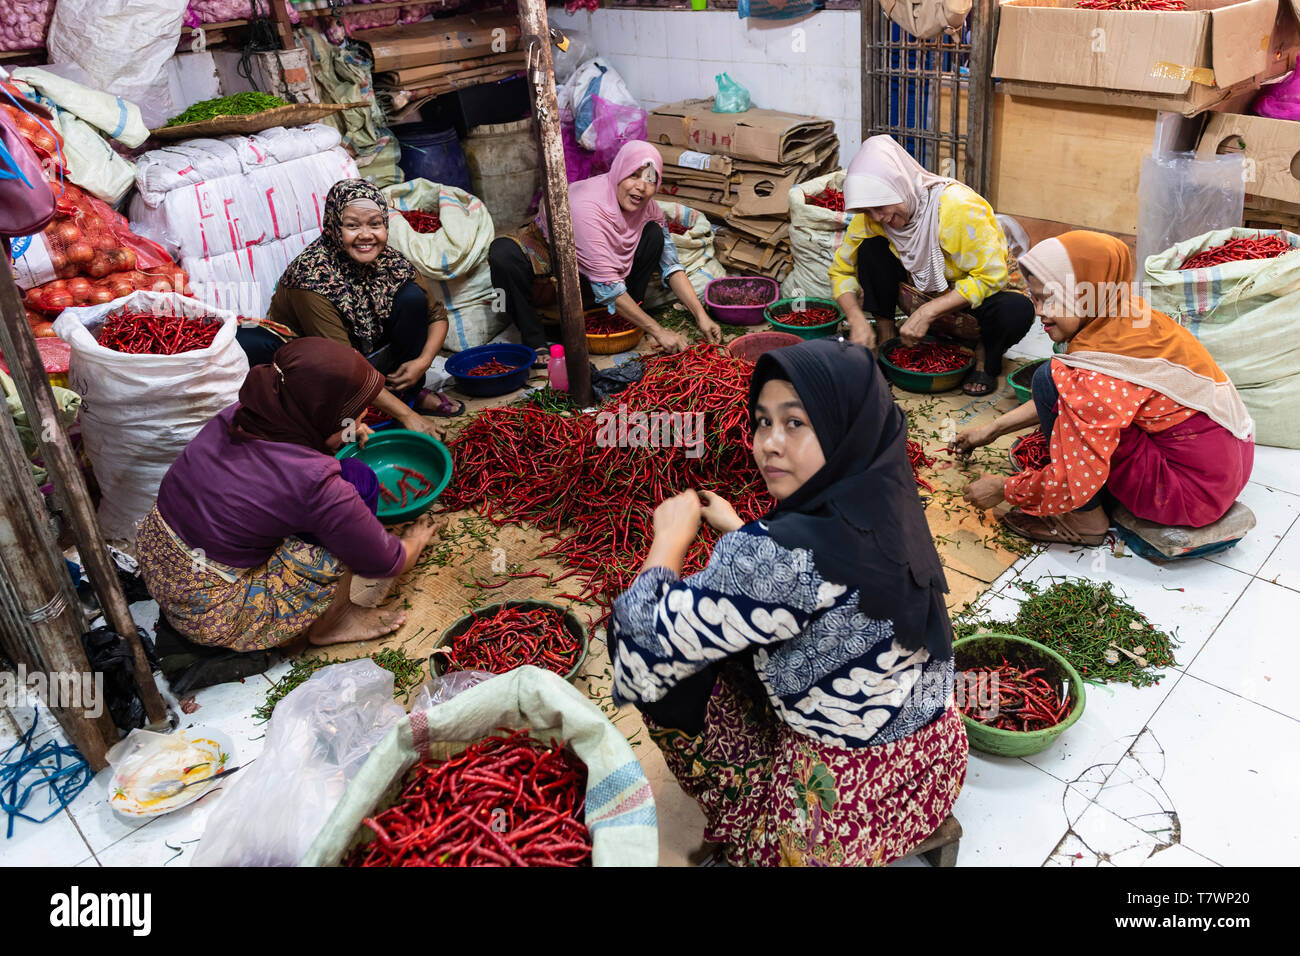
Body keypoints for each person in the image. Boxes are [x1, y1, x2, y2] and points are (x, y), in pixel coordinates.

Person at [609, 338, 968, 867]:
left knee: (666, 673)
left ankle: (743, 818)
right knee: (727, 630)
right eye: (761, 421)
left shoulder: (776, 556)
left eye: (795, 422)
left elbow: (636, 649)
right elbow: (825, 575)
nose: (768, 444)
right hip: (929, 768)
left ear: (842, 428)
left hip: (834, 818)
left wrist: (669, 541)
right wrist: (736, 525)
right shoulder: (884, 493)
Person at [137, 338, 446, 652]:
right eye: (355, 416)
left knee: (330, 492)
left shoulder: (244, 413)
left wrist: (344, 429)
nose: (362, 419)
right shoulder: (315, 483)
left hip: (160, 561)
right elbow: (385, 562)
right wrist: (414, 542)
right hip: (217, 611)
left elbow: (286, 455)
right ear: (324, 415)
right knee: (357, 481)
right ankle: (337, 619)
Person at [953, 231, 1255, 545]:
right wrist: (992, 429)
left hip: (1185, 494)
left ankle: (1087, 522)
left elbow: (1075, 477)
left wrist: (1004, 488)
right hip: (1227, 469)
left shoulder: (1096, 372)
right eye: (1035, 297)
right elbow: (1074, 397)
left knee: (1052, 377)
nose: (1040, 310)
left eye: (1051, 298)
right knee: (1056, 378)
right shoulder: (1129, 315)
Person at [239, 179, 459, 438]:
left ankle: (410, 393)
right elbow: (342, 365)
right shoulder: (312, 278)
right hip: (315, 364)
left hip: (360, 350)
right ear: (333, 227)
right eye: (352, 226)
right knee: (326, 421)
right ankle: (389, 407)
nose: (366, 235)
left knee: (411, 298)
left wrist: (422, 363)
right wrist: (408, 417)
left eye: (375, 224)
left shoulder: (390, 261)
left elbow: (436, 315)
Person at [829, 136, 1034, 396]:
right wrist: (856, 319)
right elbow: (841, 270)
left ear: (900, 185)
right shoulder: (874, 219)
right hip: (920, 295)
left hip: (971, 305)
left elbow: (990, 277)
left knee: (1017, 310)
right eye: (868, 212)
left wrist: (926, 313)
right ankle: (887, 338)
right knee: (871, 248)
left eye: (880, 207)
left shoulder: (957, 208)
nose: (878, 218)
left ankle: (984, 356)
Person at [488, 140, 722, 354]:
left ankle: (628, 317)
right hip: (552, 254)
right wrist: (659, 331)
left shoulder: (648, 210)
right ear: (619, 171)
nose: (641, 187)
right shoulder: (587, 208)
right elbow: (609, 288)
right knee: (502, 254)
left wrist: (701, 316)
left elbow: (671, 266)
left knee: (653, 235)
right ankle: (535, 340)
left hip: (597, 270)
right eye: (633, 175)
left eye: (650, 179)